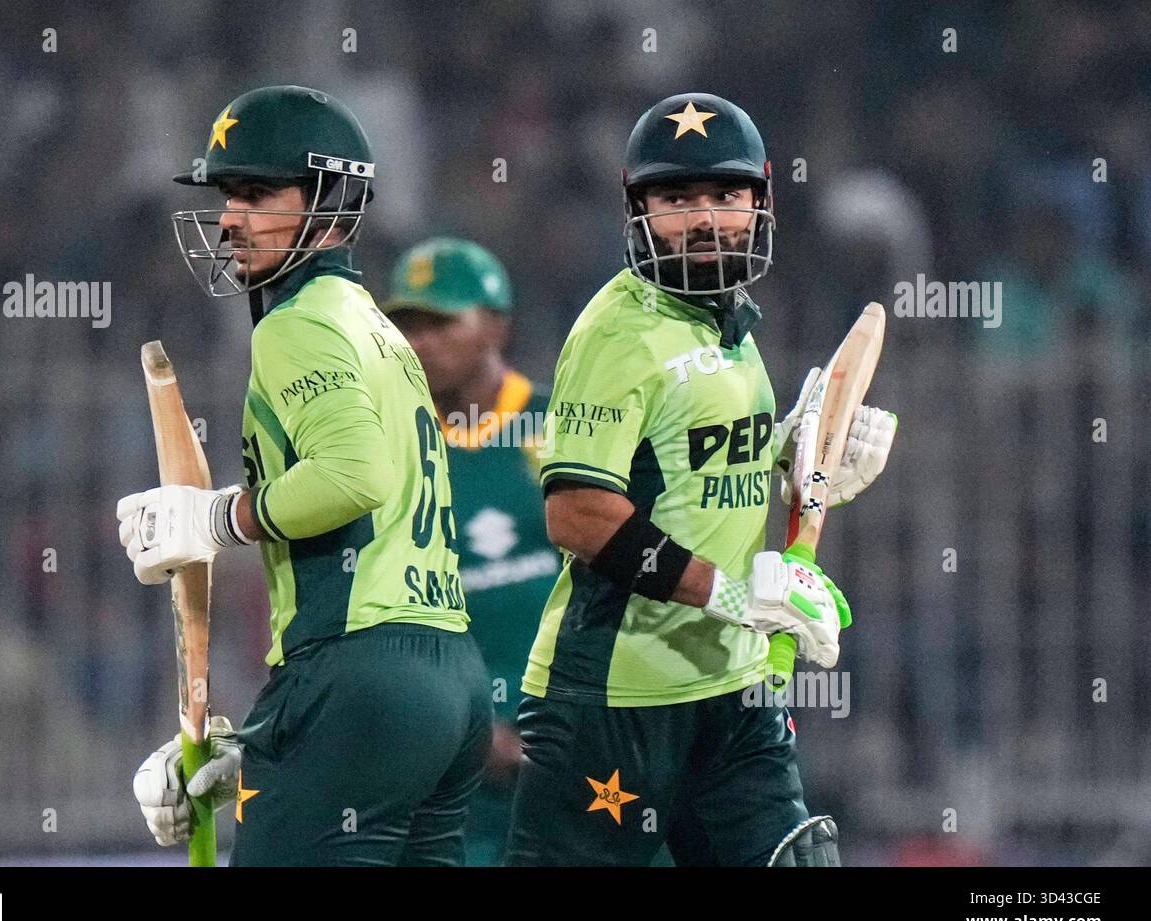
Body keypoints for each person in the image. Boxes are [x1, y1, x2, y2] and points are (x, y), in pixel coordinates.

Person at [503, 93, 896, 866]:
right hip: (614, 701)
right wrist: (731, 592)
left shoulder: (731, 321)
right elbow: (578, 515)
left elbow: (695, 473)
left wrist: (798, 463)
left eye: (727, 195)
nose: (707, 217)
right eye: (678, 198)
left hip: (736, 690)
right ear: (637, 209)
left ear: (762, 201)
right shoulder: (619, 333)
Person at [119, 86, 492, 865]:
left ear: (327, 203)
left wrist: (214, 519)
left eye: (256, 194)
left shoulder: (297, 323)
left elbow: (353, 476)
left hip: (357, 668)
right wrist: (261, 755)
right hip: (450, 684)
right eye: (228, 196)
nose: (229, 218)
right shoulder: (378, 328)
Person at [383, 237, 560, 865]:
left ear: (495, 325)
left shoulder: (559, 424)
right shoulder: (389, 452)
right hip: (450, 772)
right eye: (406, 324)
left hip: (578, 753)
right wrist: (467, 734)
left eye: (440, 322)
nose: (420, 341)